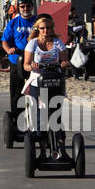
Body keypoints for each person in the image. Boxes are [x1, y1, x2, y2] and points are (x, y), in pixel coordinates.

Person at [22, 16, 69, 154]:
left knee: (56, 114)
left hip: (54, 81)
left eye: (48, 28)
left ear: (52, 28)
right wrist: (32, 66)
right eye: (42, 28)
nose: (45, 30)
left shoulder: (58, 43)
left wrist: (64, 63)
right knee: (40, 114)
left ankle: (61, 147)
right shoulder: (32, 44)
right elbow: (25, 64)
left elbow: (65, 60)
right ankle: (42, 147)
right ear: (38, 29)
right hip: (38, 81)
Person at [2, 0, 35, 124]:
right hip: (17, 60)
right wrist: (8, 50)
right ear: (19, 8)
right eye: (22, 6)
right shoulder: (14, 23)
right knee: (17, 91)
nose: (25, 8)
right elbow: (5, 41)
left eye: (28, 6)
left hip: (34, 61)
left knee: (37, 90)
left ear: (32, 6)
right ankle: (17, 119)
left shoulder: (38, 22)